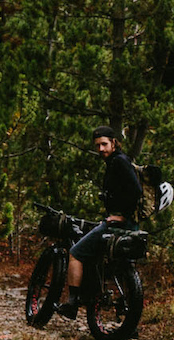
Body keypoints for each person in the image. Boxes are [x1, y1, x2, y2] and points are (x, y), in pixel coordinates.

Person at [57, 125, 143, 318]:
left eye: (104, 144)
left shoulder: (119, 162)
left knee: (76, 253)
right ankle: (129, 320)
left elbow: (136, 191)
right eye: (97, 146)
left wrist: (122, 216)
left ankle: (72, 303)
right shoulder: (120, 161)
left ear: (114, 143)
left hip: (119, 224)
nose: (101, 149)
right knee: (121, 266)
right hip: (129, 225)